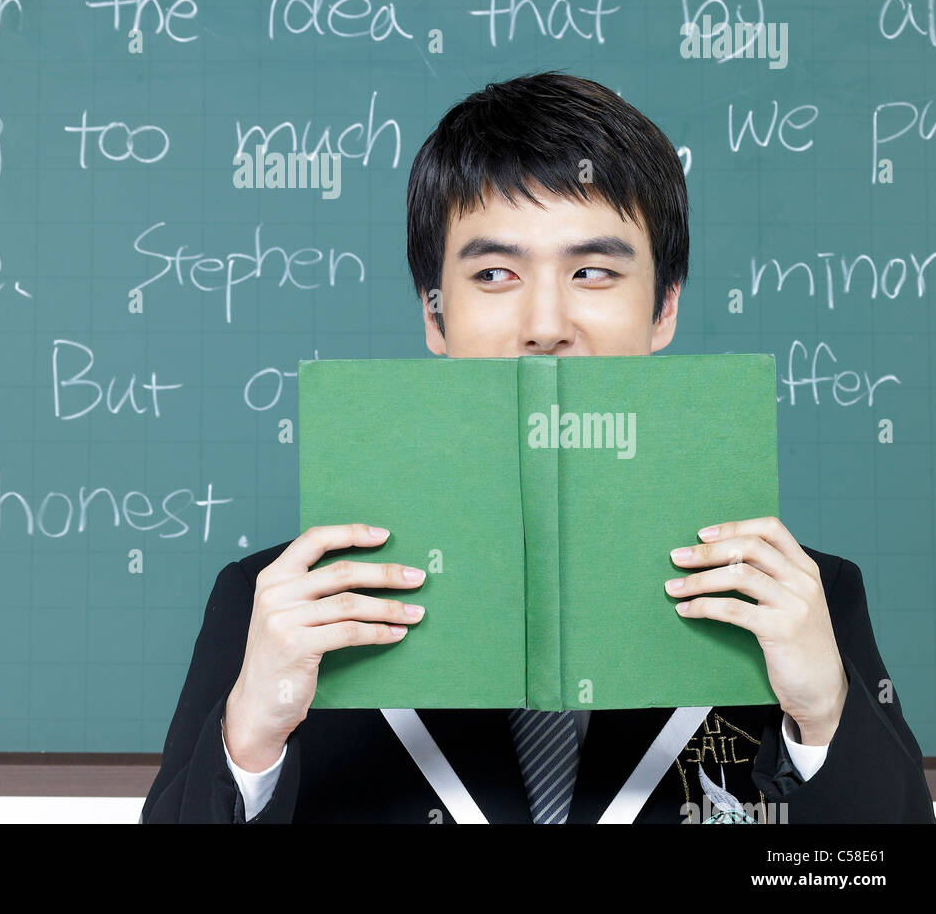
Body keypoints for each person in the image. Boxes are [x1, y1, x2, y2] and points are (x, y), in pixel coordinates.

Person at [141, 72, 934, 824]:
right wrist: (251, 735)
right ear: (434, 315)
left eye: (592, 271)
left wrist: (826, 711)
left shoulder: (802, 598)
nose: (545, 324)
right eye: (493, 274)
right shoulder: (276, 603)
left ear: (664, 310)